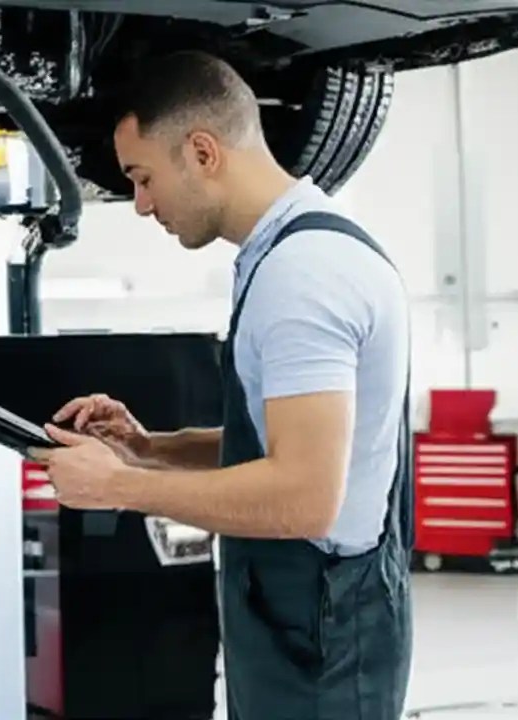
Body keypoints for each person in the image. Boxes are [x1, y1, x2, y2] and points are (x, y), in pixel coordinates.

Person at [28, 50, 413, 719]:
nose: (142, 206)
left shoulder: (305, 276)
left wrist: (117, 488)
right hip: (301, 622)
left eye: (143, 178)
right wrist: (149, 449)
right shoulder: (290, 254)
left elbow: (304, 497)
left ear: (202, 152)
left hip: (319, 641)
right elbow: (281, 447)